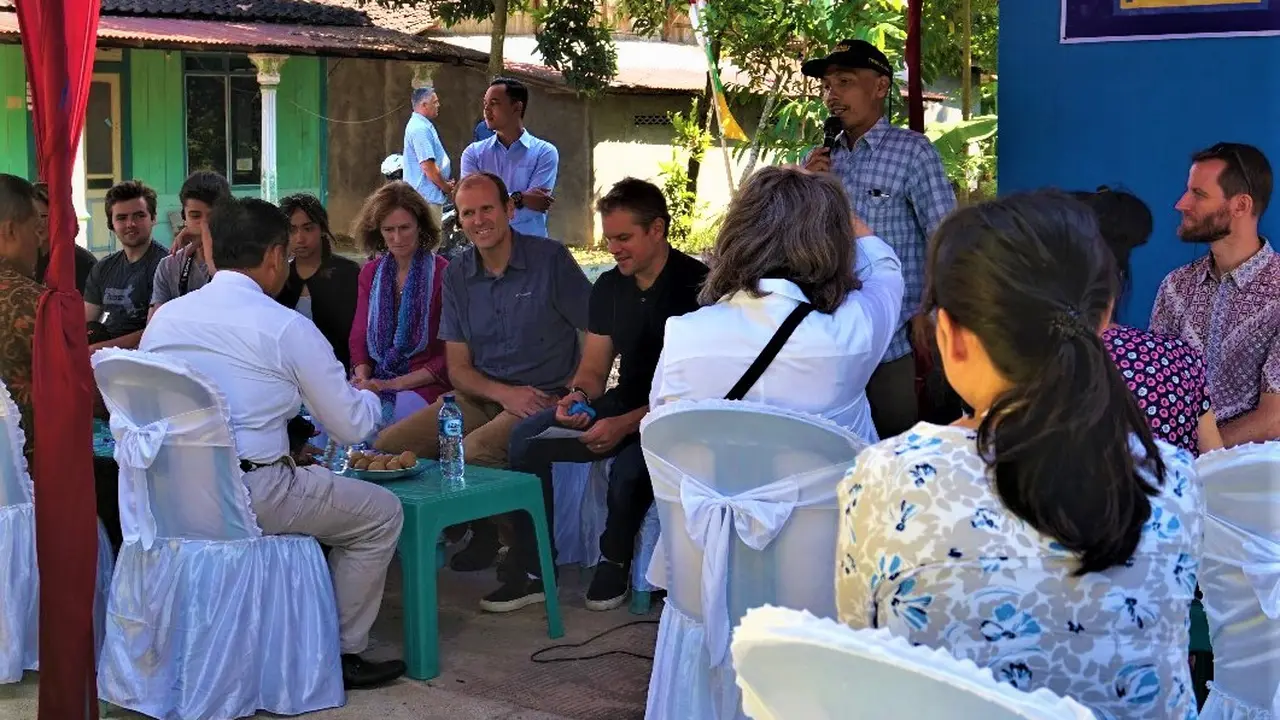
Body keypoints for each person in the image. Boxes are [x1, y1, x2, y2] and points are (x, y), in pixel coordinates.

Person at [836, 191, 1200, 718]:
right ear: (1103, 320)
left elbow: (859, 669)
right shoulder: (1174, 478)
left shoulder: (885, 478)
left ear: (949, 338)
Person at [141, 196, 406, 689]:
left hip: (169, 496)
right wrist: (366, 397)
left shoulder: (166, 320)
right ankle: (342, 651)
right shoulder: (286, 326)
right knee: (382, 514)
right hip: (252, 496)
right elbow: (350, 426)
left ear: (214, 253)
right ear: (272, 258)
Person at [493, 178, 707, 613]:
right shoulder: (610, 286)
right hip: (624, 399)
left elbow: (700, 392)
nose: (614, 248)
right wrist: (575, 398)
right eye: (609, 238)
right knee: (526, 439)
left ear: (658, 230)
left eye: (624, 237)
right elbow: (593, 369)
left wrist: (626, 425)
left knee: (629, 467)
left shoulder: (698, 286)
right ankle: (536, 565)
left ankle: (615, 559)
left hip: (678, 416)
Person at [374, 172, 591, 570]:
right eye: (468, 212)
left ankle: (527, 555)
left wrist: (582, 389)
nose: (478, 220)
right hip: (483, 395)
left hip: (545, 394)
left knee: (473, 453)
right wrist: (504, 394)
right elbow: (458, 368)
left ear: (509, 209)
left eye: (487, 208)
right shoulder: (458, 273)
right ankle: (472, 530)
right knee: (391, 444)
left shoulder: (549, 260)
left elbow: (598, 328)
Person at [651, 166, 903, 443]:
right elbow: (883, 267)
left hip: (717, 487)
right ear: (833, 245)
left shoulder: (683, 337)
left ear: (736, 233)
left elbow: (665, 436)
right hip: (836, 487)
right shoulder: (853, 331)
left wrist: (776, 190)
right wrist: (829, 205)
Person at [801, 39, 956, 439]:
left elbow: (947, 238)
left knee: (900, 447)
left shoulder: (913, 153)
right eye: (827, 86)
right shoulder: (819, 159)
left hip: (897, 339)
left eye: (845, 82)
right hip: (833, 336)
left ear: (881, 87)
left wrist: (931, 310)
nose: (832, 95)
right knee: (839, 448)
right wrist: (807, 189)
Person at [1072, 187, 1222, 455]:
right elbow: (1216, 468)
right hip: (1164, 496)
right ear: (1117, 276)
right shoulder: (1179, 361)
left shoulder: (1008, 363)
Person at [1151, 142, 1280, 447]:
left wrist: (1201, 458)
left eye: (1199, 194)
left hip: (1256, 481)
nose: (1181, 204)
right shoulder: (1175, 287)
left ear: (1241, 206)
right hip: (1178, 473)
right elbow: (1156, 391)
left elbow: (1274, 416)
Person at [349, 181, 451, 420]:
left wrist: (394, 384)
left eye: (405, 228)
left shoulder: (443, 272)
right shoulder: (370, 272)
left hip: (426, 383)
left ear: (420, 226)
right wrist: (363, 378)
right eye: (388, 230)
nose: (397, 238)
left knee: (388, 422)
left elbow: (449, 355)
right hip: (375, 378)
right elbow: (359, 336)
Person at [461, 78, 558, 238]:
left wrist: (489, 205)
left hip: (531, 247)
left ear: (516, 107)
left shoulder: (544, 152)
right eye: (485, 104)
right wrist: (520, 198)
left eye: (494, 103)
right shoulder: (474, 154)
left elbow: (535, 208)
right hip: (488, 249)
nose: (486, 109)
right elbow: (470, 203)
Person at [276, 193, 360, 371]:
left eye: (308, 228)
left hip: (340, 371)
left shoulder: (348, 273)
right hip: (290, 373)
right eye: (292, 230)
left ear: (322, 229)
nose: (300, 238)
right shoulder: (278, 277)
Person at [84, 179, 167, 350]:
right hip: (104, 360)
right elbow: (85, 322)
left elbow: (159, 331)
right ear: (111, 224)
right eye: (122, 218)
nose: (131, 224)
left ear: (153, 218)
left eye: (139, 215)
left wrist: (97, 349)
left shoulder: (167, 266)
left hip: (148, 358)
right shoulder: (102, 268)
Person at [0, 174, 43, 456]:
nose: (39, 243)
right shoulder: (36, 303)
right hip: (25, 471)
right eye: (36, 230)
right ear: (11, 231)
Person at [149, 171, 230, 319]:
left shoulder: (241, 263)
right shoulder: (169, 265)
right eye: (195, 216)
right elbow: (155, 326)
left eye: (212, 216)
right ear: (184, 217)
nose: (204, 224)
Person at [31, 181, 96, 293]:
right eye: (32, 216)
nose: (38, 223)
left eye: (44, 216)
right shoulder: (24, 257)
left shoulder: (82, 262)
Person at [403, 87, 453, 227]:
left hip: (427, 195)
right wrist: (445, 187)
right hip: (425, 198)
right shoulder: (420, 129)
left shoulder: (422, 125)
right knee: (429, 243)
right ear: (424, 105)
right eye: (435, 102)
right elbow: (428, 166)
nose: (438, 105)